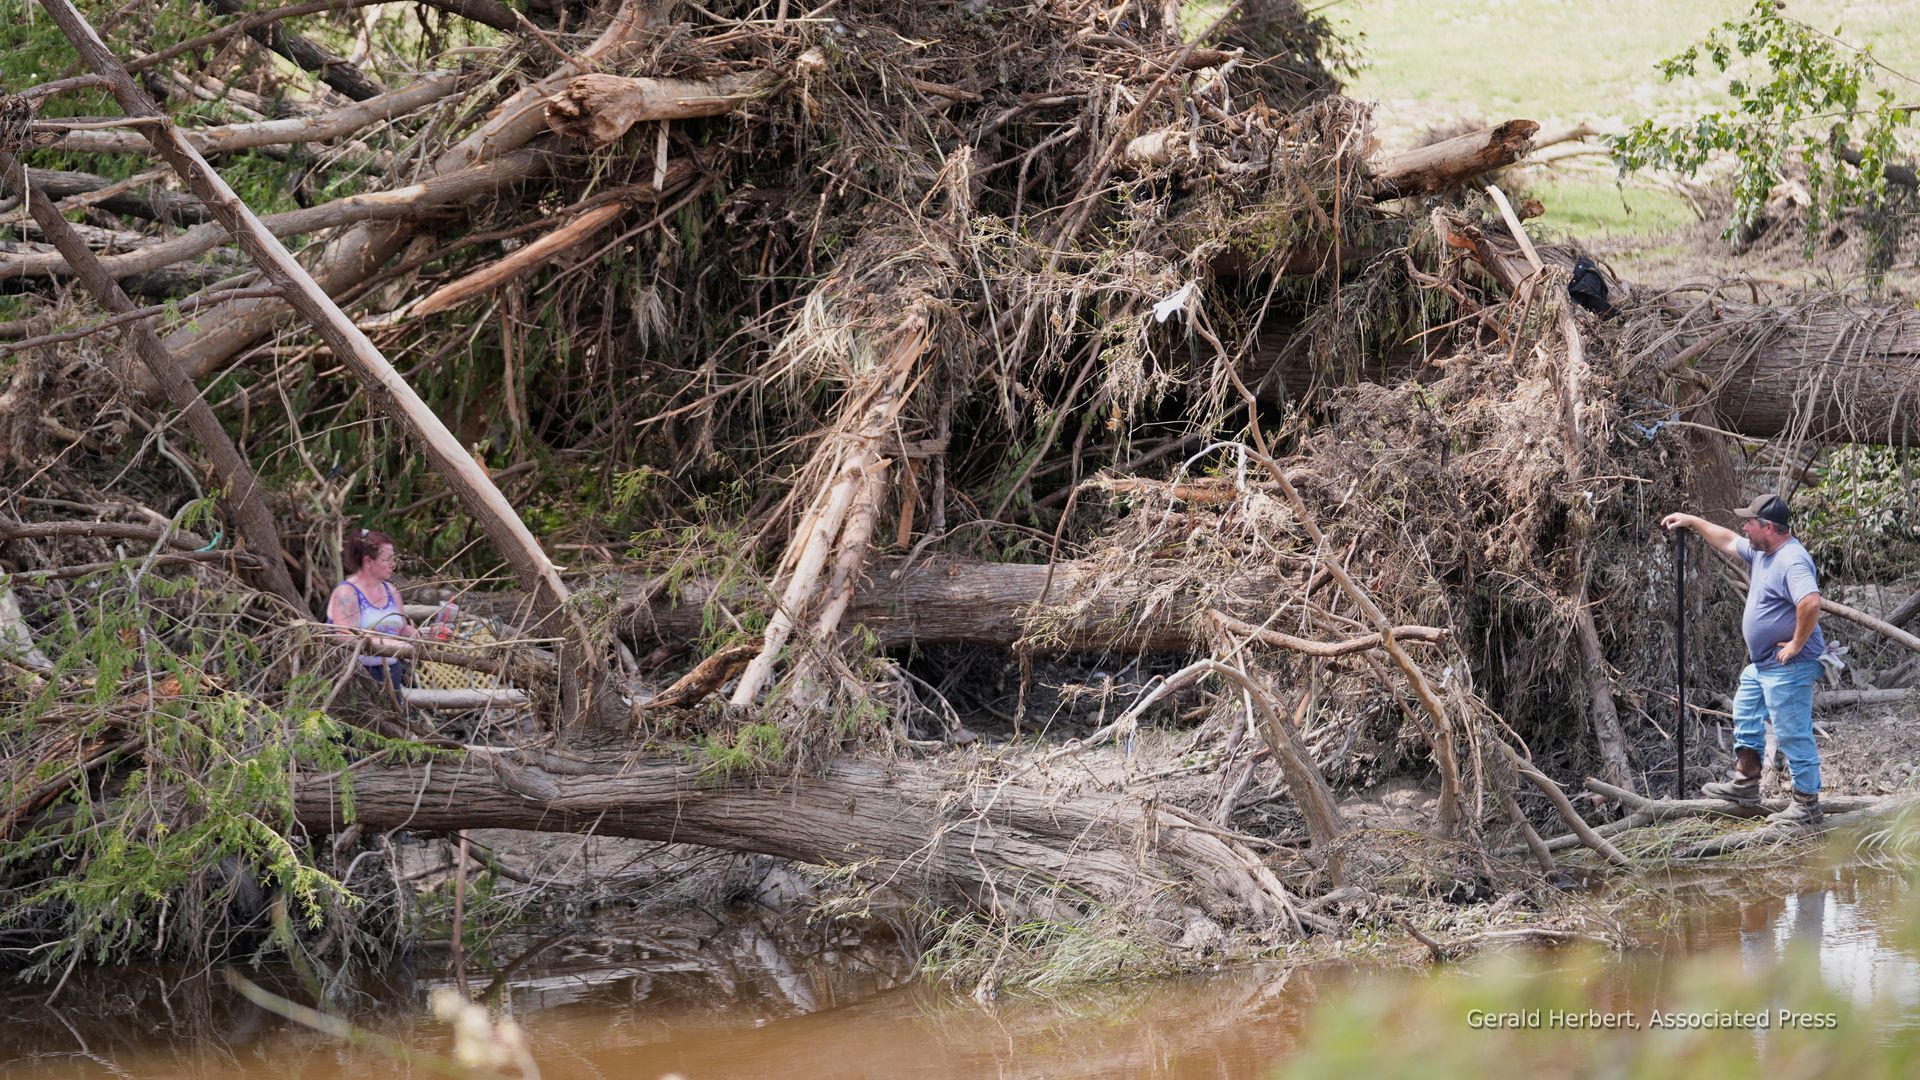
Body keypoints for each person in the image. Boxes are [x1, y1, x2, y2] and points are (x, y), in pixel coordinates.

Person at [1663, 494, 1828, 825]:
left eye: (1750, 522)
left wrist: (1796, 643)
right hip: (1764, 665)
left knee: (1792, 731)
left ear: (1768, 527)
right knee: (1746, 712)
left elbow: (1810, 602)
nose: (1744, 527)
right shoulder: (1762, 551)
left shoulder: (1791, 559)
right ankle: (1745, 785)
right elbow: (1727, 539)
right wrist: (1692, 521)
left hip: (1788, 665)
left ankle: (1807, 805)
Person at [327, 527, 418, 689]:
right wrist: (397, 645)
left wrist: (423, 636)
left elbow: (402, 628)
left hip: (392, 671)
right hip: (358, 675)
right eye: (386, 559)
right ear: (368, 561)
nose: (392, 564)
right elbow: (347, 637)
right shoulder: (346, 593)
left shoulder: (391, 591)